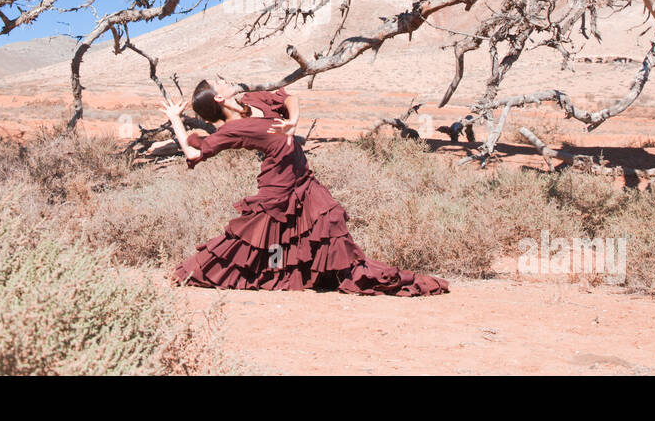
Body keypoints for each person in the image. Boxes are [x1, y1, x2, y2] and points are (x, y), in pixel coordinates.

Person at [161, 79, 450, 296]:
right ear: (219, 97)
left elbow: (290, 97)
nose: (225, 80)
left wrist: (293, 121)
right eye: (219, 82)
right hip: (278, 185)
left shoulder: (254, 100)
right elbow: (193, 153)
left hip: (302, 177)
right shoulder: (230, 130)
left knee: (329, 222)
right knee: (260, 238)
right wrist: (175, 119)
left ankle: (321, 274)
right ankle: (227, 272)